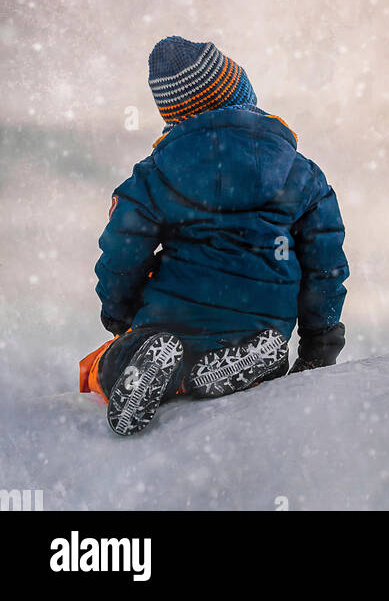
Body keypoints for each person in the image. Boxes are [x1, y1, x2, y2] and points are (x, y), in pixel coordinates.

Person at [79, 36, 349, 436]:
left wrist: (120, 317)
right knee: (251, 352)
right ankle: (247, 364)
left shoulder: (155, 174)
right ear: (243, 93)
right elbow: (324, 267)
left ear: (174, 116)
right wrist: (319, 345)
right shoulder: (301, 173)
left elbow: (122, 253)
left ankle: (151, 361)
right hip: (262, 329)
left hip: (172, 325)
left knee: (99, 366)